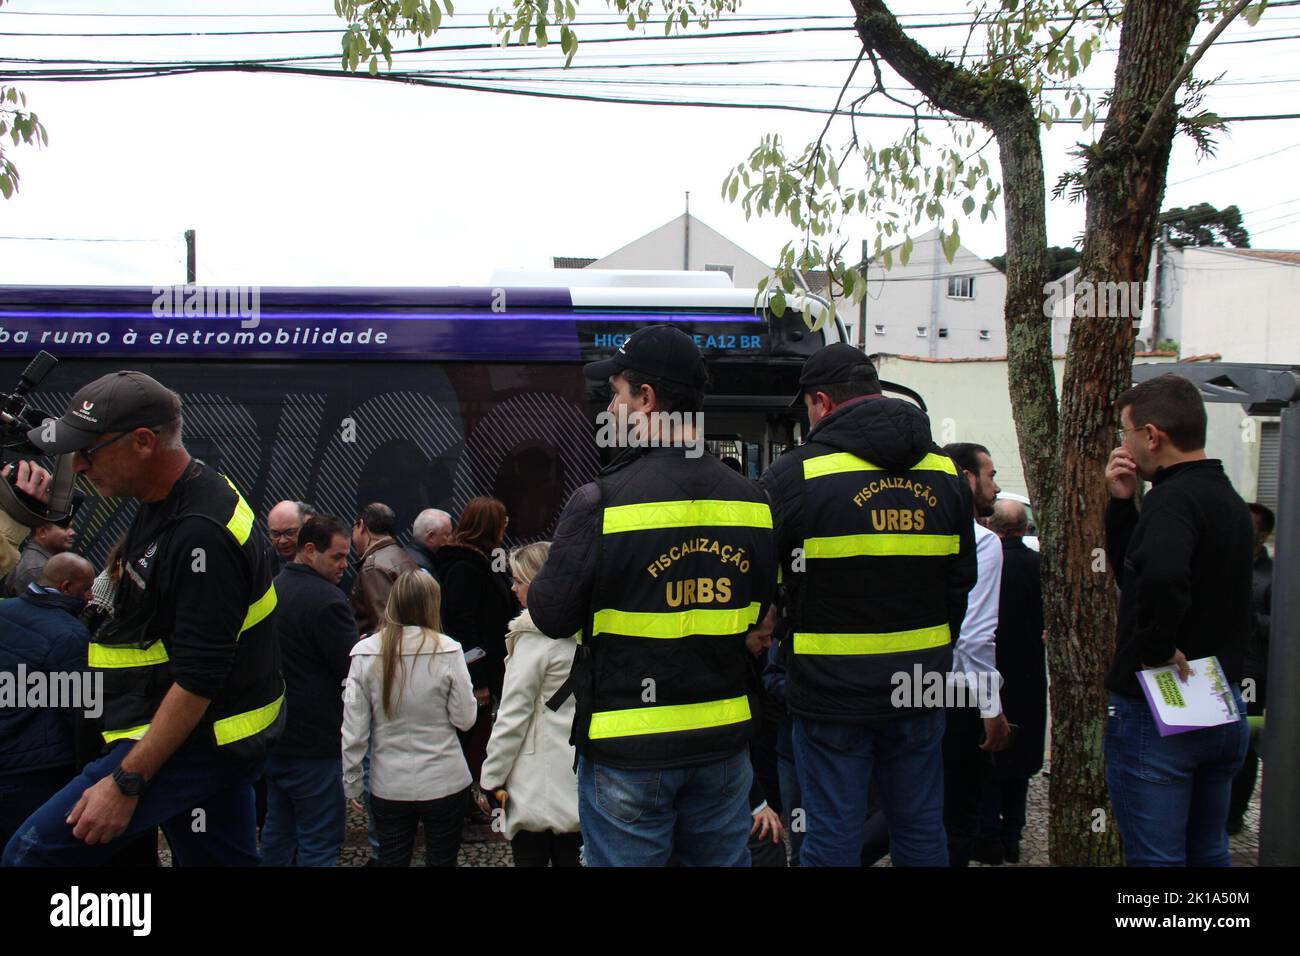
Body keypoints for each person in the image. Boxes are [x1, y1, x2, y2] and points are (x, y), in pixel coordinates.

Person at [2, 370, 284, 867]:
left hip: (192, 740)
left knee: (31, 853)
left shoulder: (199, 534)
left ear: (143, 442)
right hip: (209, 736)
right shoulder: (178, 491)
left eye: (88, 453)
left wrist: (126, 782)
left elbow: (198, 679)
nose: (81, 466)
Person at [528, 324, 777, 867]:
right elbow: (761, 616)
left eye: (616, 394)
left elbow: (548, 615)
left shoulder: (600, 501)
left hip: (628, 748)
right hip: (722, 741)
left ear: (647, 399)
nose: (609, 408)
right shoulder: (752, 499)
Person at [756, 344, 976, 868]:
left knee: (831, 834)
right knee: (921, 826)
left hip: (829, 693)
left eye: (807, 407)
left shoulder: (795, 476)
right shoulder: (947, 474)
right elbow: (959, 583)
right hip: (920, 685)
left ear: (822, 402)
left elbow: (761, 578)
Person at [1103, 373, 1253, 867]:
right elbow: (1140, 573)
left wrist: (1156, 647)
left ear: (1152, 435)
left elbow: (1163, 577)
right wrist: (1123, 505)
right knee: (1208, 849)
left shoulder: (1173, 499)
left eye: (1125, 433)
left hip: (1160, 704)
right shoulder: (1226, 496)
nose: (1123, 446)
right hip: (1217, 698)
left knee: (1157, 860)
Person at [341, 571, 477, 867]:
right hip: (445, 780)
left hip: (388, 783)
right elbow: (465, 719)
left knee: (392, 859)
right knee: (443, 860)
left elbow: (354, 729)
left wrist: (351, 780)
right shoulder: (449, 649)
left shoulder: (364, 654)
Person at [260, 515, 357, 867]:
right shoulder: (328, 602)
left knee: (278, 830)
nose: (344, 566)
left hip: (275, 733)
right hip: (316, 742)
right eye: (337, 557)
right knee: (319, 839)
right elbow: (351, 671)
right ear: (310, 550)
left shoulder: (271, 590)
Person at [479, 542, 581, 867]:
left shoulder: (534, 641)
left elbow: (511, 717)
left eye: (519, 580)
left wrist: (491, 779)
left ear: (539, 584)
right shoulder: (586, 630)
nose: (513, 587)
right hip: (579, 781)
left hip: (535, 788)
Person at [940, 442, 1012, 867]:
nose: (997, 487)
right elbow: (974, 635)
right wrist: (991, 706)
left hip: (908, 685)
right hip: (957, 694)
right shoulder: (983, 542)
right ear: (967, 477)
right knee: (959, 815)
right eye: (990, 475)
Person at [0, 554, 96, 849]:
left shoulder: (5, 610)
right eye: (86, 590)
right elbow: (80, 713)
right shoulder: (70, 635)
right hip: (33, 770)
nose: (91, 596)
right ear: (66, 587)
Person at [975, 497, 1047, 865]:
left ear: (994, 526)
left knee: (988, 754)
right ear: (1024, 529)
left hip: (988, 671)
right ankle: (1013, 835)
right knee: (1019, 759)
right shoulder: (1037, 567)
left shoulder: (983, 561)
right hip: (1028, 673)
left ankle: (987, 837)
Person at [434, 497, 516, 791]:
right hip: (480, 670)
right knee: (473, 736)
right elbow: (462, 625)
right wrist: (478, 679)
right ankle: (468, 794)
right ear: (489, 525)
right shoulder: (466, 567)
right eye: (502, 522)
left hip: (493, 664)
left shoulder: (486, 558)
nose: (506, 527)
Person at [1228, 502, 1275, 834]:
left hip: (1254, 677)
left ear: (1264, 534)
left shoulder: (1274, 577)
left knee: (1246, 743)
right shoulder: (1225, 565)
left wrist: (1248, 619)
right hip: (1220, 670)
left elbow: (1283, 627)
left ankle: (1234, 813)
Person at [349, 502, 417, 637]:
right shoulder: (404, 556)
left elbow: (386, 628)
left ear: (361, 525)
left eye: (353, 528)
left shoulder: (373, 567)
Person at [3, 516, 77, 598]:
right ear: (42, 532)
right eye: (65, 528)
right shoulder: (37, 568)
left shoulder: (38, 562)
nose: (72, 533)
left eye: (71, 527)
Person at [266, 500, 313, 575]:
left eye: (290, 533)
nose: (282, 541)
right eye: (275, 534)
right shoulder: (263, 563)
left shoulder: (324, 560)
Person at [405, 508, 453, 579]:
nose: (452, 538)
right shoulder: (422, 570)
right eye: (447, 535)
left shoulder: (406, 555)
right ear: (431, 537)